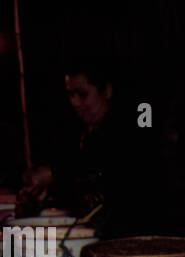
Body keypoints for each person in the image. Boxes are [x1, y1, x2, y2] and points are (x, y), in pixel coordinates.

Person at [21, 56, 163, 240]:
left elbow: (110, 162)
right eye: (70, 95)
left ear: (107, 90)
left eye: (82, 94)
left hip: (134, 238)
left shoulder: (134, 122)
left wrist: (55, 173)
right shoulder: (81, 132)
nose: (75, 103)